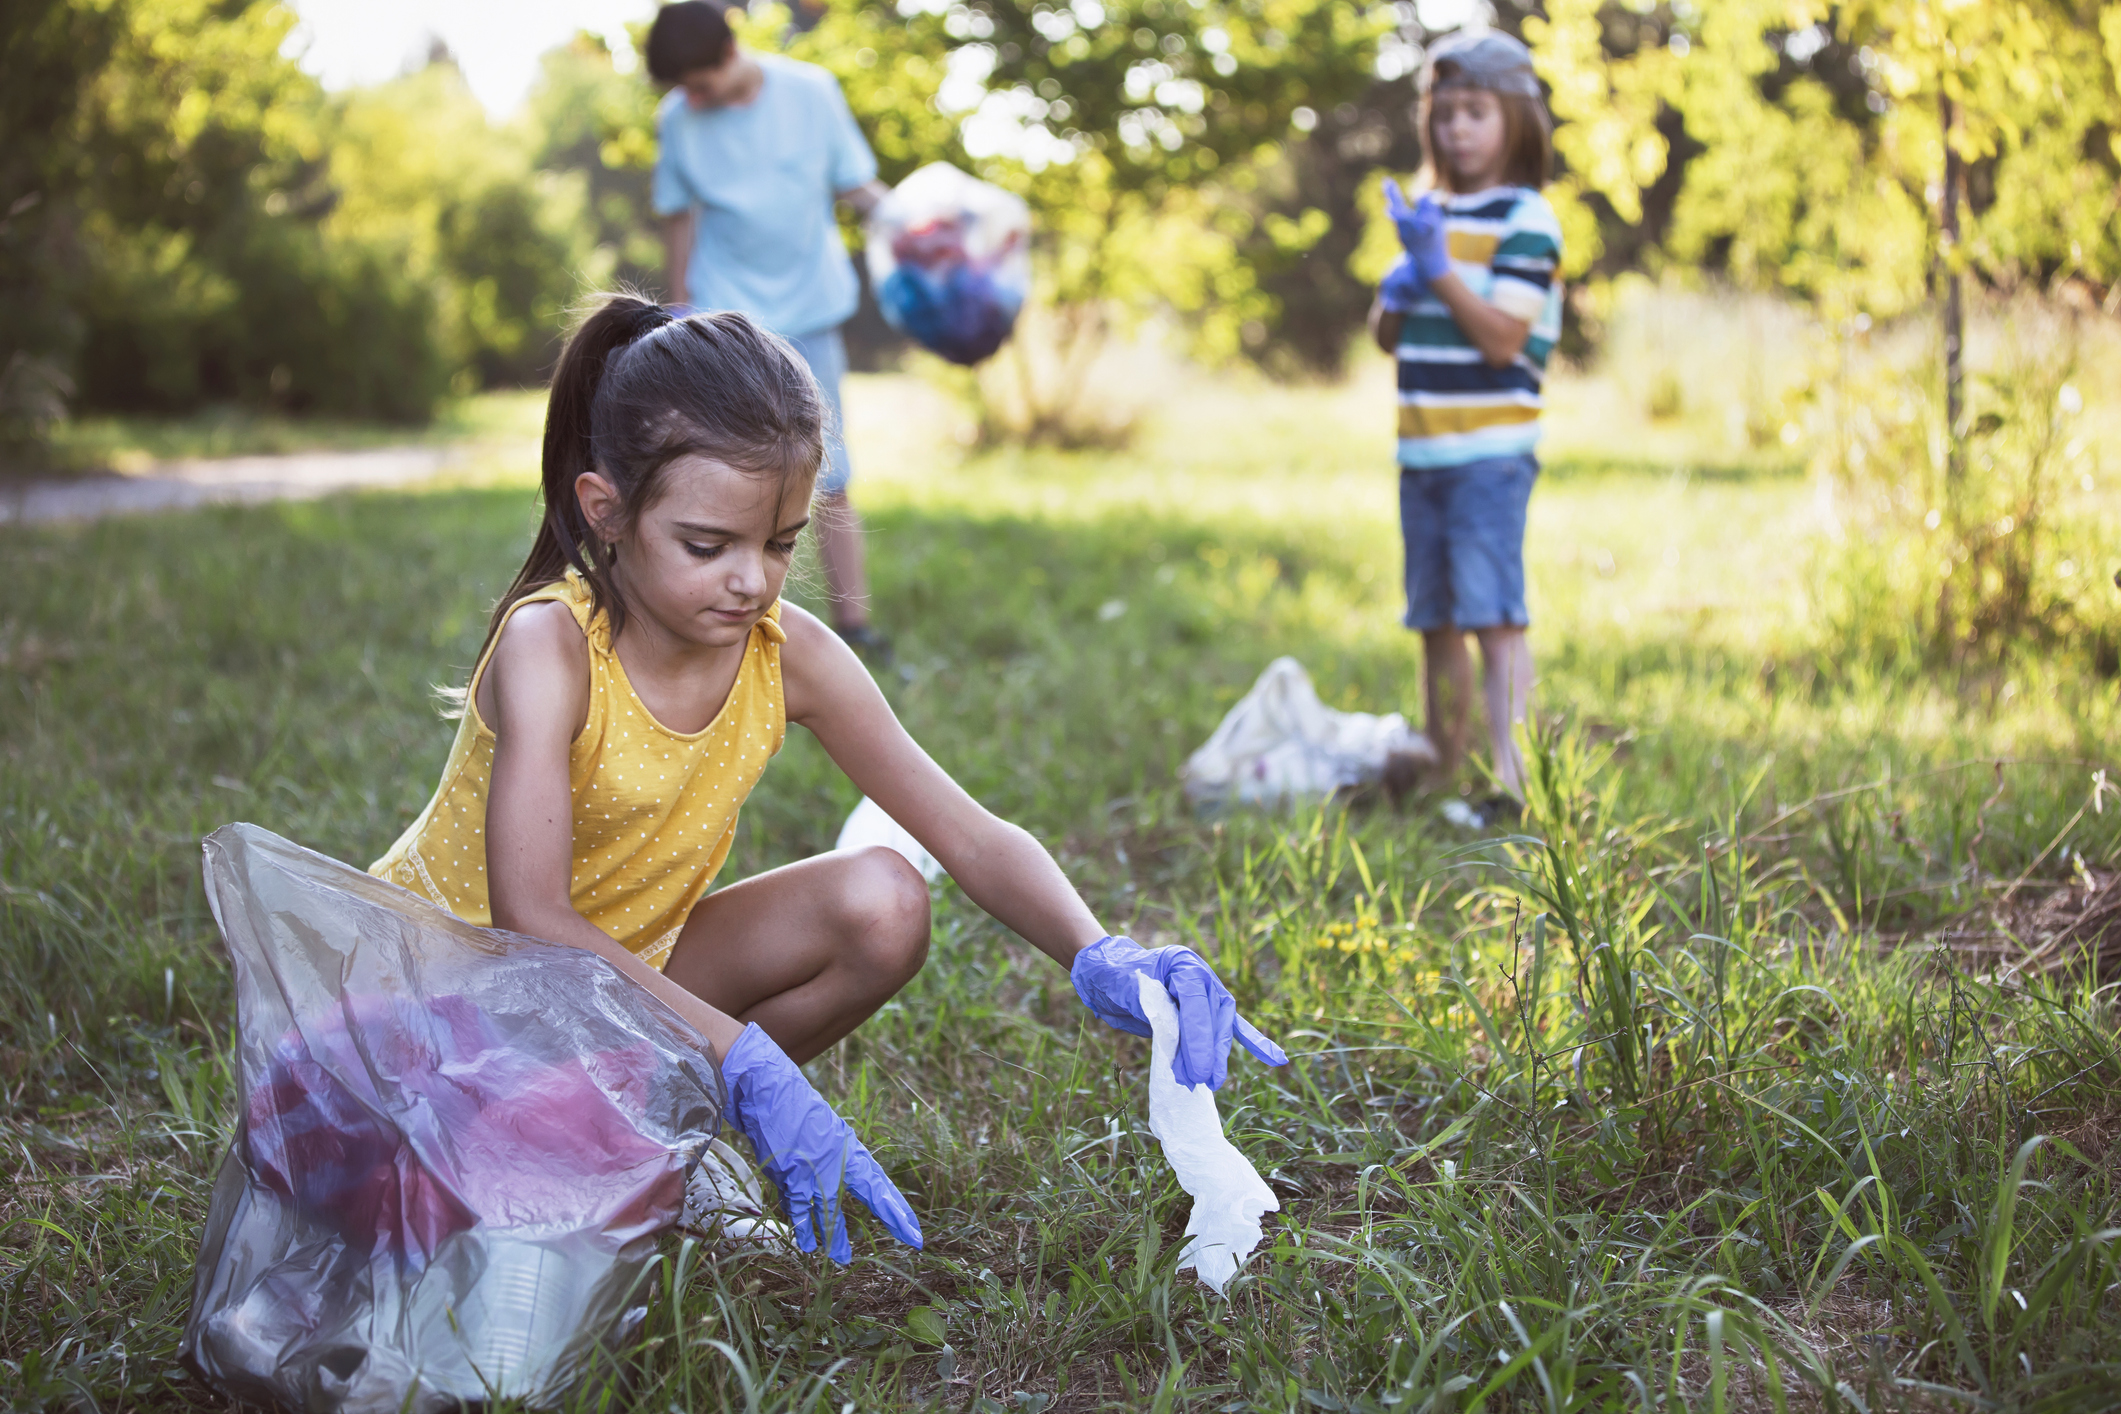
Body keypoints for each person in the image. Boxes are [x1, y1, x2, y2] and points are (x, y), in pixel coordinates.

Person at [370, 297, 1287, 1263]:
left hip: (627, 987)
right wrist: (742, 1057)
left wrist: (1100, 949)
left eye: (779, 544)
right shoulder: (550, 644)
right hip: (448, 1011)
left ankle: (651, 1138)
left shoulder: (785, 653)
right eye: (706, 545)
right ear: (607, 511)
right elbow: (531, 922)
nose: (751, 582)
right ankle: (629, 1132)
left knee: (884, 900)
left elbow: (964, 833)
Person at [645, 0, 889, 659]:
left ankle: (856, 628)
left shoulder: (811, 93)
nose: (691, 100)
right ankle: (722, 626)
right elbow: (677, 215)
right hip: (731, 324)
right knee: (721, 475)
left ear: (728, 54)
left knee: (831, 475)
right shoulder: (679, 119)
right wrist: (681, 305)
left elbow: (858, 189)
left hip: (810, 313)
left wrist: (915, 224)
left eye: (698, 84)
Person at [1367, 30, 1563, 817]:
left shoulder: (1527, 216)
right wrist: (1396, 287)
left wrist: (1439, 272)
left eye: (1475, 112)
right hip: (1423, 452)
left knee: (1492, 616)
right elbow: (1387, 337)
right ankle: (1444, 766)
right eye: (1443, 114)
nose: (1457, 129)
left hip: (1489, 457)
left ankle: (1517, 784)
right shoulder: (1431, 210)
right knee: (1435, 619)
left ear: (1514, 118)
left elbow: (1501, 339)